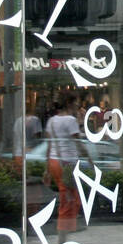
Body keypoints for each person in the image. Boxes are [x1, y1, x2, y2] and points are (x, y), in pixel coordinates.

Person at [45, 94, 93, 236]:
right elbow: (78, 143)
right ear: (70, 104)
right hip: (67, 163)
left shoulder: (52, 121)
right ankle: (63, 233)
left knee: (70, 196)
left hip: (54, 162)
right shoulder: (71, 121)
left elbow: (49, 146)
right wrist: (90, 160)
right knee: (69, 198)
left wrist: (47, 170)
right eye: (76, 104)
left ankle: (67, 228)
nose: (78, 107)